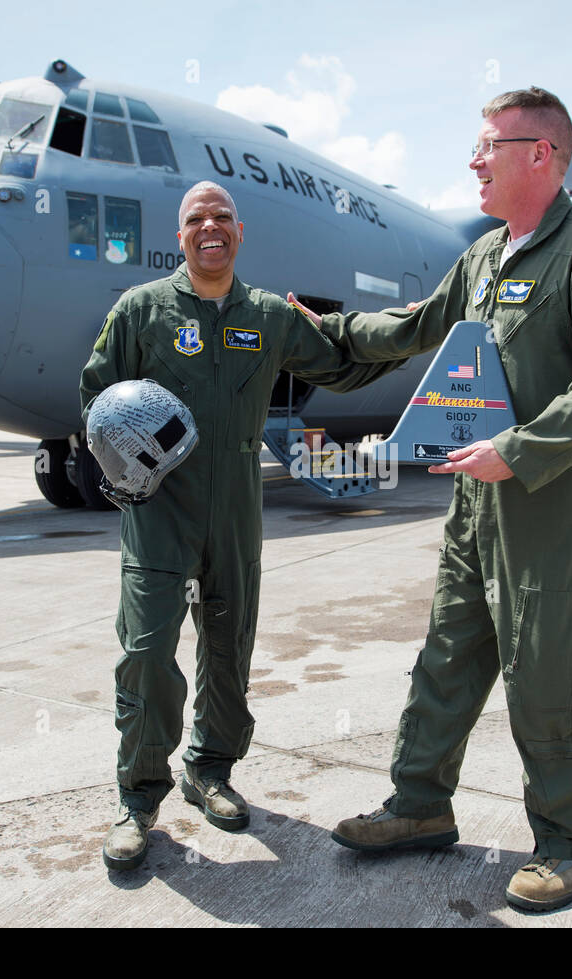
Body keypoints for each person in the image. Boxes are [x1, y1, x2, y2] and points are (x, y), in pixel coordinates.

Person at [290, 86, 572, 911]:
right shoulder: (486, 256)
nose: (474, 161)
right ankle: (418, 806)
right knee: (447, 655)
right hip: (475, 502)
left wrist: (517, 451)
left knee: (547, 676)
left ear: (540, 156)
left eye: (490, 145)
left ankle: (569, 842)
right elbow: (417, 326)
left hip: (554, 502)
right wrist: (327, 333)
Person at [81, 181, 392, 871]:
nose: (210, 227)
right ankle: (138, 801)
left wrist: (419, 328)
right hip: (158, 512)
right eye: (197, 219)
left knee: (229, 651)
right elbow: (97, 397)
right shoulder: (142, 311)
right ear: (181, 234)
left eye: (222, 217)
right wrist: (126, 468)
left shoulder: (269, 316)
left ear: (240, 232)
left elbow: (342, 361)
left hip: (235, 512)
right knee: (144, 656)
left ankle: (209, 771)